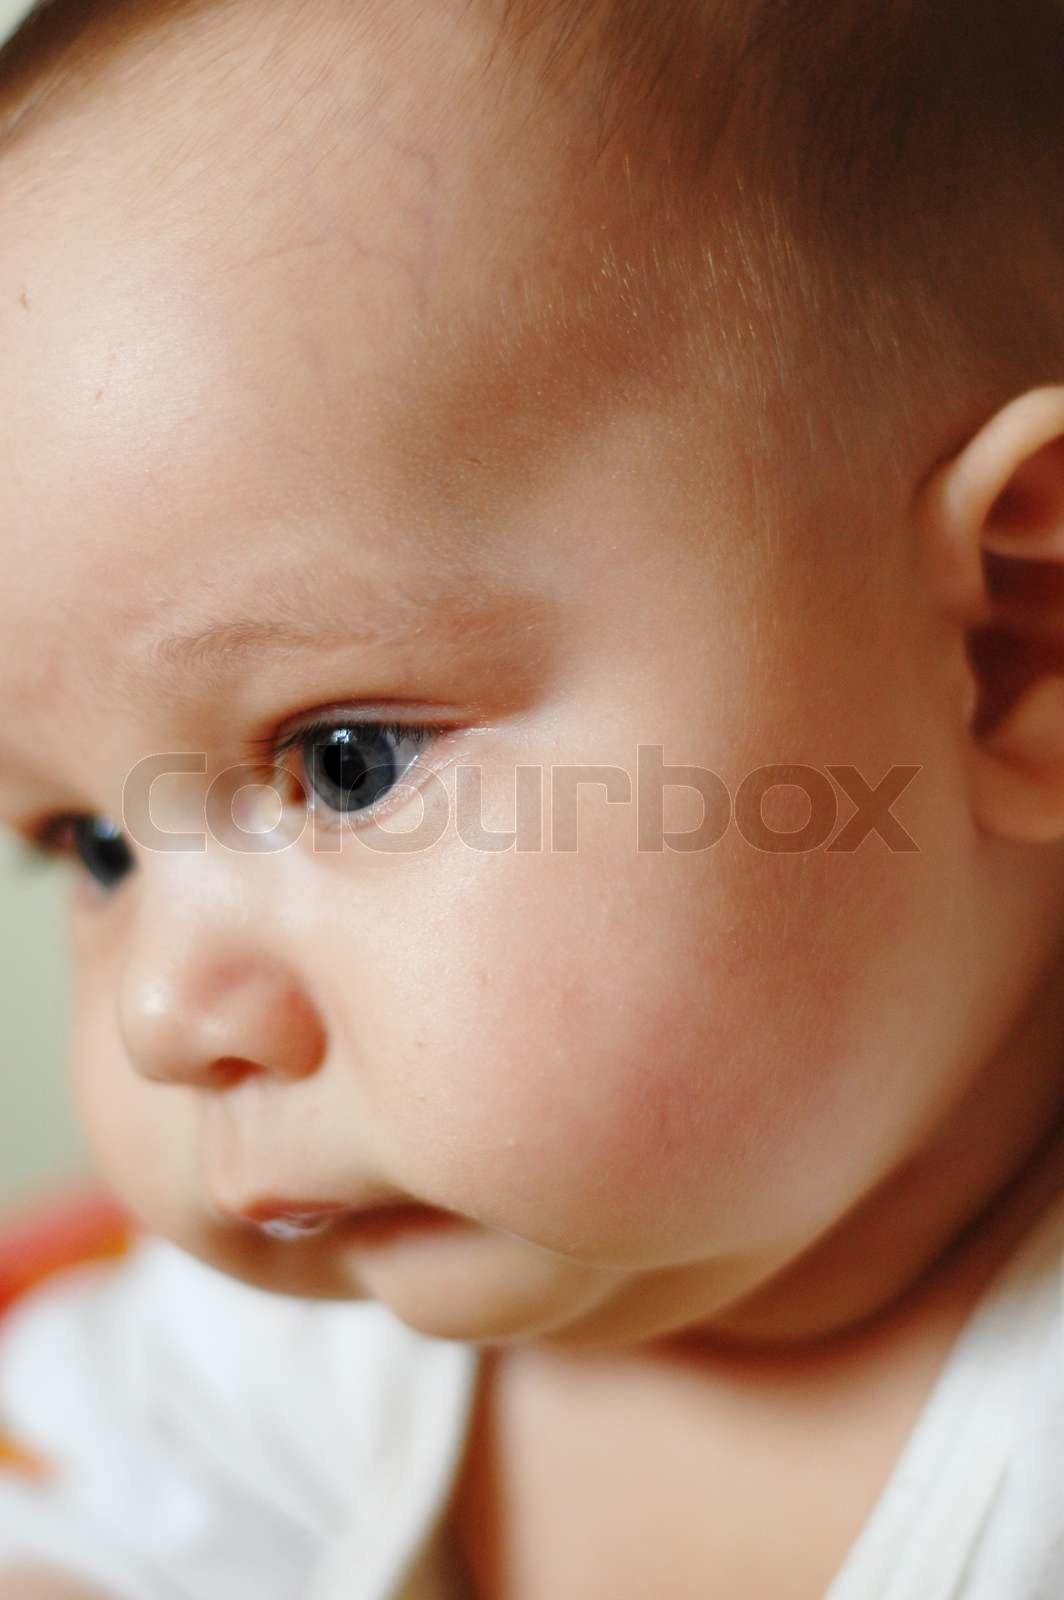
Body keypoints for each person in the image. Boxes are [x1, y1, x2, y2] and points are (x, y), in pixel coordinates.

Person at [0, 0, 1063, 1593]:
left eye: (343, 764)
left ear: (1008, 645)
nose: (160, 1013)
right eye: (91, 846)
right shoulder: (262, 1363)